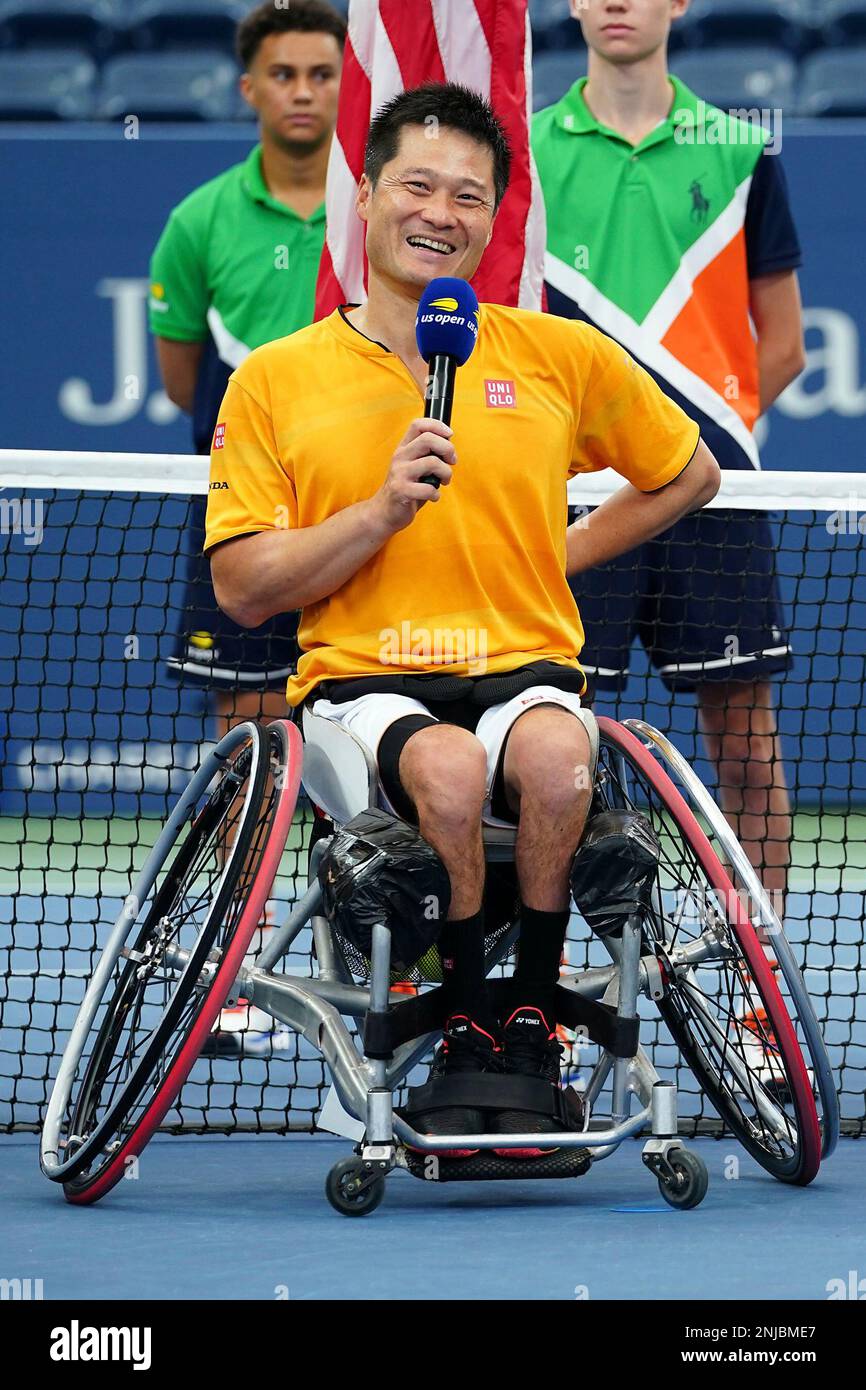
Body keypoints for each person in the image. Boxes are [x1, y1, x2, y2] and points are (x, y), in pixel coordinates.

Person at [204, 81, 720, 1152]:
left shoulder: (558, 355)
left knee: (559, 766)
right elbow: (243, 586)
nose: (440, 213)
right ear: (365, 195)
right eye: (417, 186)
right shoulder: (273, 381)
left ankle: (526, 1021)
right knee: (444, 770)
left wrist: (554, 551)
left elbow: (688, 473)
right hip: (362, 685)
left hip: (524, 670)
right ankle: (462, 1015)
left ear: (494, 218)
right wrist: (379, 512)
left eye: (469, 196)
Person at [532, 0, 806, 933]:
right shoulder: (525, 151)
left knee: (746, 748)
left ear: (678, 2)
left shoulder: (740, 149)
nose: (617, 2)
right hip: (573, 491)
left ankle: (757, 967)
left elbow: (784, 344)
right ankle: (544, 975)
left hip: (713, 493)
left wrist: (698, 442)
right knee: (545, 742)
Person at [148, 0, 346, 1052]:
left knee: (374, 738)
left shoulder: (374, 211)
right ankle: (234, 968)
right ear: (250, 88)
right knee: (253, 750)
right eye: (284, 73)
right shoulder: (198, 221)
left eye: (322, 72)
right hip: (248, 516)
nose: (303, 91)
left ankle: (368, 962)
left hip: (361, 518)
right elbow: (185, 376)